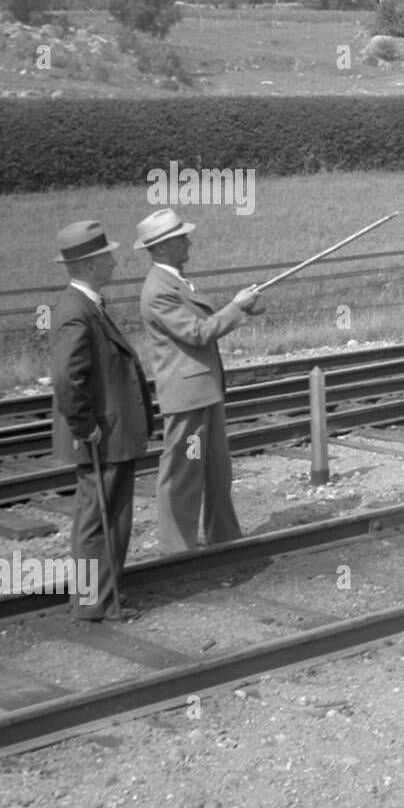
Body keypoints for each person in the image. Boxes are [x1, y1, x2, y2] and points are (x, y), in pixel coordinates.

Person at [134, 209, 262, 553]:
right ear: (161, 247)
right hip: (187, 395)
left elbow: (201, 324)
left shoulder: (176, 280)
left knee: (217, 471)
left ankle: (224, 537)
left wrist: (242, 308)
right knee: (183, 475)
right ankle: (177, 550)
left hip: (203, 391)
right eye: (180, 238)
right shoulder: (159, 289)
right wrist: (235, 308)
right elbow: (196, 333)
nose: (188, 241)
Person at [49, 221, 154, 620]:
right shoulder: (77, 311)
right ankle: (96, 603)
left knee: (106, 515)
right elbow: (66, 378)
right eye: (107, 255)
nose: (114, 260)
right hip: (101, 434)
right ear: (91, 264)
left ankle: (98, 597)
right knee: (101, 519)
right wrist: (85, 424)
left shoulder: (86, 305)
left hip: (108, 432)